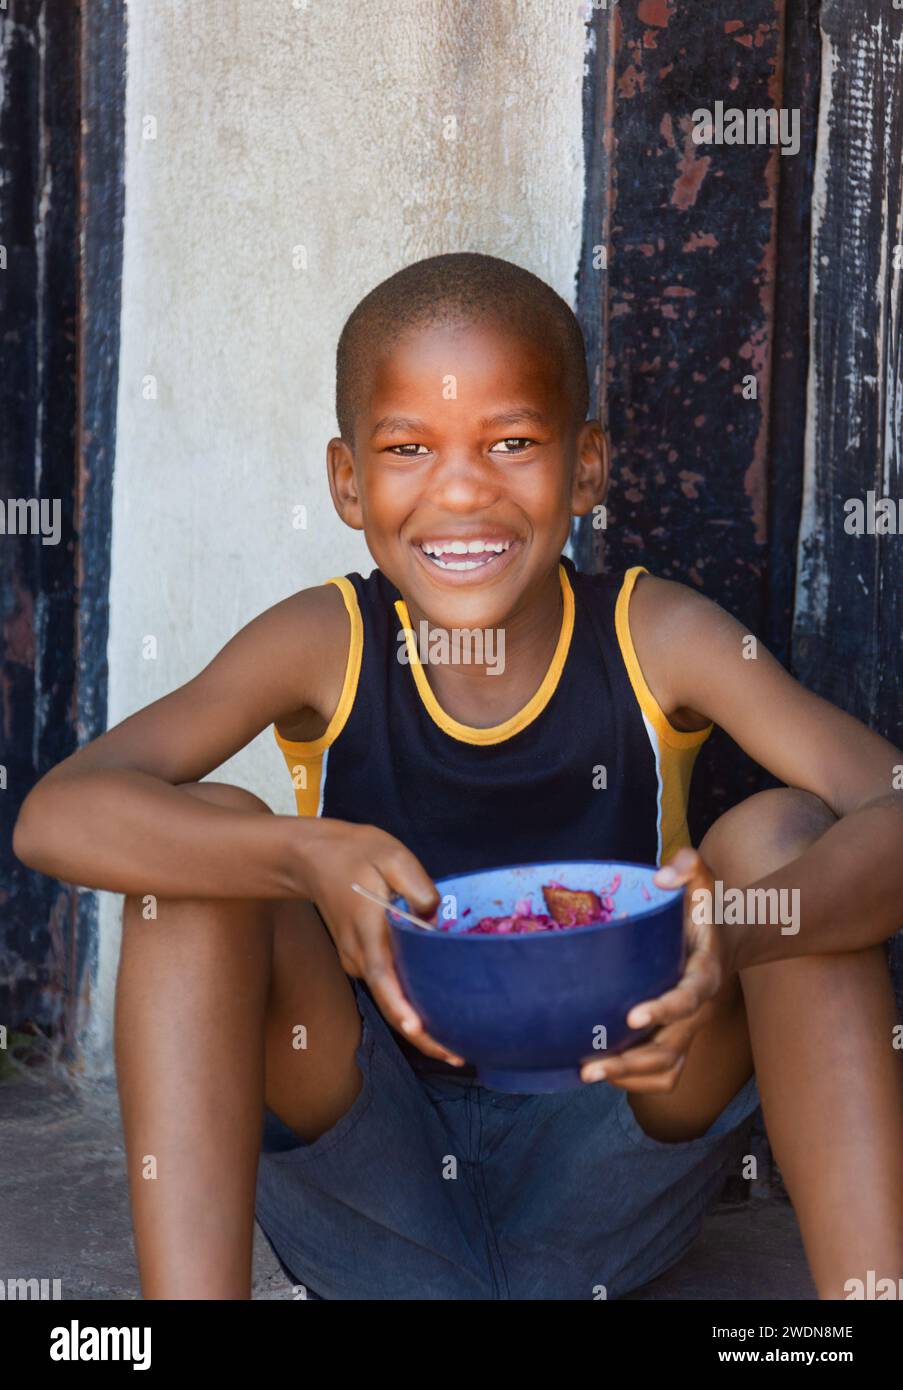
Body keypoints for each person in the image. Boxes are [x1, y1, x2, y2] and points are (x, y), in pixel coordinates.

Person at [14, 252, 903, 1300]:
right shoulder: (326, 639)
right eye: (409, 448)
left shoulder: (656, 634)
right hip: (376, 1182)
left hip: (604, 1164)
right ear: (349, 481)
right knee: (203, 853)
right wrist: (300, 855)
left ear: (586, 468)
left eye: (514, 443)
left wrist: (729, 936)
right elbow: (56, 814)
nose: (464, 488)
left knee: (778, 834)